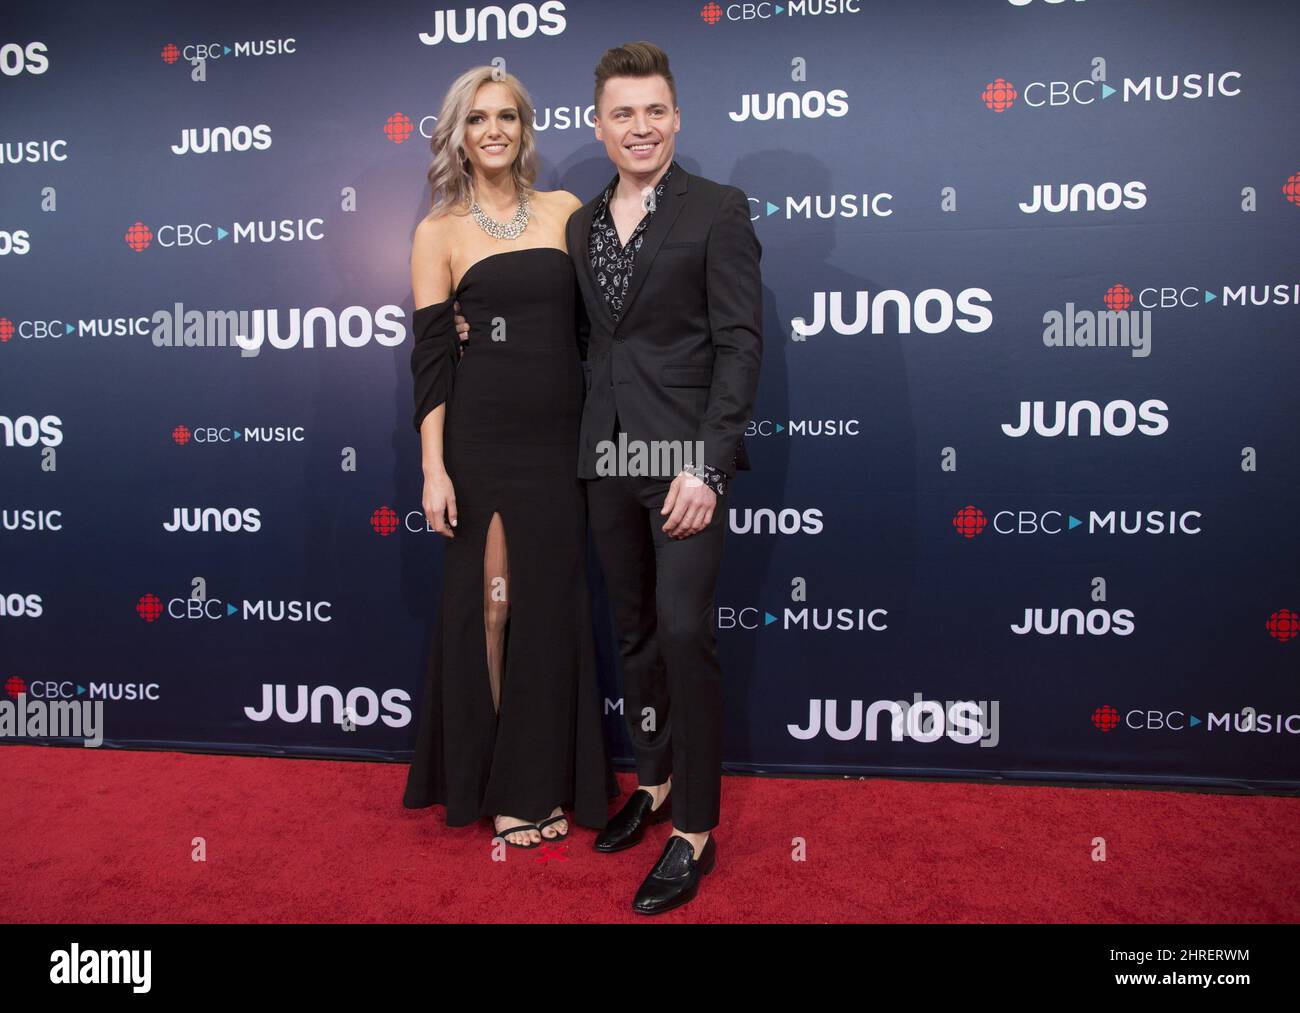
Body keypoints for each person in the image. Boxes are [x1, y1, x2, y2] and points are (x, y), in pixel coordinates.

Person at [456, 42, 762, 911]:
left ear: (677, 117)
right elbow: (567, 329)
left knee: (680, 630)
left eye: (655, 110)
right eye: (623, 113)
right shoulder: (579, 224)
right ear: (599, 125)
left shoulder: (718, 210)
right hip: (603, 459)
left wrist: (706, 463)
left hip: (682, 465)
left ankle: (695, 829)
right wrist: (474, 331)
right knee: (630, 633)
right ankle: (655, 783)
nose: (641, 127)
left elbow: (740, 346)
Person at [402, 65, 615, 850]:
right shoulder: (438, 232)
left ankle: (536, 783)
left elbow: (604, 323)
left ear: (525, 128)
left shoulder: (564, 212)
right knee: (492, 606)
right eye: (478, 118)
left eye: (508, 117)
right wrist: (434, 467)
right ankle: (494, 781)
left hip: (561, 441)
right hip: (481, 441)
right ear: (456, 134)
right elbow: (430, 362)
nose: (494, 130)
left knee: (552, 610)